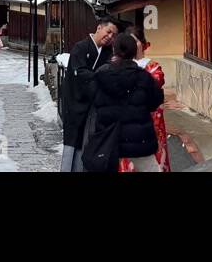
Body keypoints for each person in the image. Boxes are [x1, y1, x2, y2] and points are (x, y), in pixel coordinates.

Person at [89, 33, 165, 172]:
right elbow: (155, 101)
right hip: (139, 138)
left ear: (114, 50)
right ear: (134, 52)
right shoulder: (143, 77)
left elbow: (92, 98)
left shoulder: (101, 75)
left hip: (109, 137)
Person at [59, 18, 119, 172]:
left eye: (114, 35)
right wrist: (98, 77)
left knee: (85, 141)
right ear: (99, 28)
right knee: (72, 141)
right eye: (109, 31)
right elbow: (80, 73)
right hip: (75, 100)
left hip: (91, 106)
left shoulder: (107, 52)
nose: (110, 37)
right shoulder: (80, 47)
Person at [119, 26, 170, 172]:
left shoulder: (153, 67)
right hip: (127, 124)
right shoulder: (120, 67)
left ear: (142, 43)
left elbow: (154, 89)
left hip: (150, 122)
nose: (133, 46)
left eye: (135, 41)